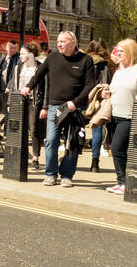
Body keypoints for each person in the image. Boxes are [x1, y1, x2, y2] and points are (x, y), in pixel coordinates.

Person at [22, 30, 95, 187]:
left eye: (63, 41)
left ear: (73, 42)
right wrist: (29, 87)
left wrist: (76, 102)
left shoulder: (86, 60)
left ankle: (67, 175)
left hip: (75, 107)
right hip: (55, 106)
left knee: (71, 143)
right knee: (51, 140)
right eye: (58, 41)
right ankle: (51, 173)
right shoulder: (53, 57)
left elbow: (90, 84)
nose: (59, 44)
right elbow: (39, 74)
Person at [103, 39, 137, 194]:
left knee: (118, 149)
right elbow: (117, 89)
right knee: (117, 150)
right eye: (118, 50)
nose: (118, 53)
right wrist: (107, 92)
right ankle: (121, 181)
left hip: (130, 115)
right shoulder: (119, 70)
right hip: (114, 115)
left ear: (131, 52)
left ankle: (125, 182)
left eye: (122, 51)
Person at [85, 39, 113, 173]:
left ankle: (70, 153)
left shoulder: (84, 61)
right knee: (97, 129)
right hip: (98, 101)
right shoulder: (105, 65)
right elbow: (106, 83)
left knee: (75, 128)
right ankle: (95, 162)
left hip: (83, 98)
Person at [18, 44, 46, 165]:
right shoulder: (19, 67)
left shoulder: (40, 67)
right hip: (20, 99)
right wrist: (10, 102)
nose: (20, 56)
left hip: (34, 101)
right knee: (20, 128)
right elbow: (13, 83)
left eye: (23, 53)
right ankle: (22, 155)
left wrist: (45, 106)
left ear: (31, 54)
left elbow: (45, 87)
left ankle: (35, 157)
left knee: (34, 128)